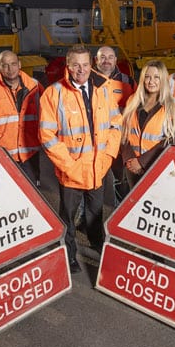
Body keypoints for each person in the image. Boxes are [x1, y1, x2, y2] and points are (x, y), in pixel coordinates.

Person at [39, 45, 121, 273]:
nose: (81, 69)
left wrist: (108, 156)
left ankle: (97, 242)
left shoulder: (105, 89)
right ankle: (68, 253)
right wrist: (70, 166)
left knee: (96, 211)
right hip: (71, 171)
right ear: (68, 66)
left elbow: (116, 123)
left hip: (98, 166)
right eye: (76, 65)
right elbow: (47, 136)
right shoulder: (54, 93)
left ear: (91, 65)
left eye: (85, 65)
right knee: (68, 215)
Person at [0, 50, 43, 185]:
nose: (10, 69)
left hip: (29, 155)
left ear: (20, 64)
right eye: (5, 65)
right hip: (3, 156)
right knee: (6, 199)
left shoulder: (35, 86)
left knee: (31, 198)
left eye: (13, 64)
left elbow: (47, 116)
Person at [120, 60, 175, 188]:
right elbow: (124, 133)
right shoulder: (132, 101)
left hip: (157, 166)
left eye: (156, 77)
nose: (151, 81)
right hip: (132, 167)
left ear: (163, 80)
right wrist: (129, 159)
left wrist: (142, 162)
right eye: (147, 77)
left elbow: (171, 141)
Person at [95, 45, 136, 203]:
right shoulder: (88, 81)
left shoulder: (128, 82)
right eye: (102, 57)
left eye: (110, 57)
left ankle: (121, 213)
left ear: (115, 60)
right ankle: (84, 217)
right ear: (96, 60)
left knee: (120, 178)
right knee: (91, 179)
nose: (106, 61)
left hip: (119, 138)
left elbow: (135, 110)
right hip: (95, 138)